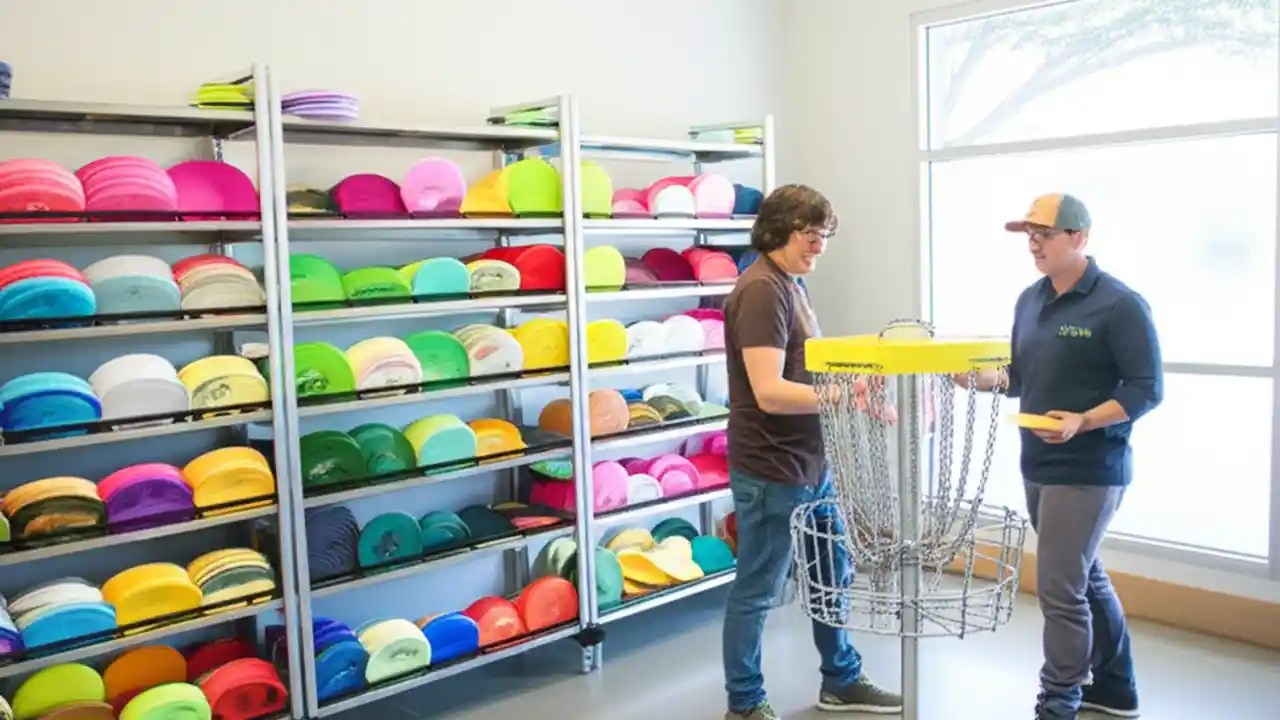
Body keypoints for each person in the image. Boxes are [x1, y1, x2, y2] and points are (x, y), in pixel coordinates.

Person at [956, 193, 1162, 720]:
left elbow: (1146, 387)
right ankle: (1117, 687)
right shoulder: (1030, 300)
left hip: (1091, 469)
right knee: (1084, 576)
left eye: (1044, 234)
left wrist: (1085, 420)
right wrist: (976, 380)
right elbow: (1020, 379)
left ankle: (1060, 697)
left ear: (1079, 238)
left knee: (1059, 587)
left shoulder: (1120, 304)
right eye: (1029, 235)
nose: (1034, 245)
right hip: (1040, 463)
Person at [721, 184, 902, 720]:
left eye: (824, 236)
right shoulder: (761, 290)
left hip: (807, 464)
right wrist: (844, 396)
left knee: (832, 574)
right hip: (772, 467)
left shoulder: (791, 284)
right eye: (809, 234)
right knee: (759, 587)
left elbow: (805, 370)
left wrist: (856, 387)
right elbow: (770, 391)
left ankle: (841, 679)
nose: (819, 245)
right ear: (776, 230)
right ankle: (745, 702)